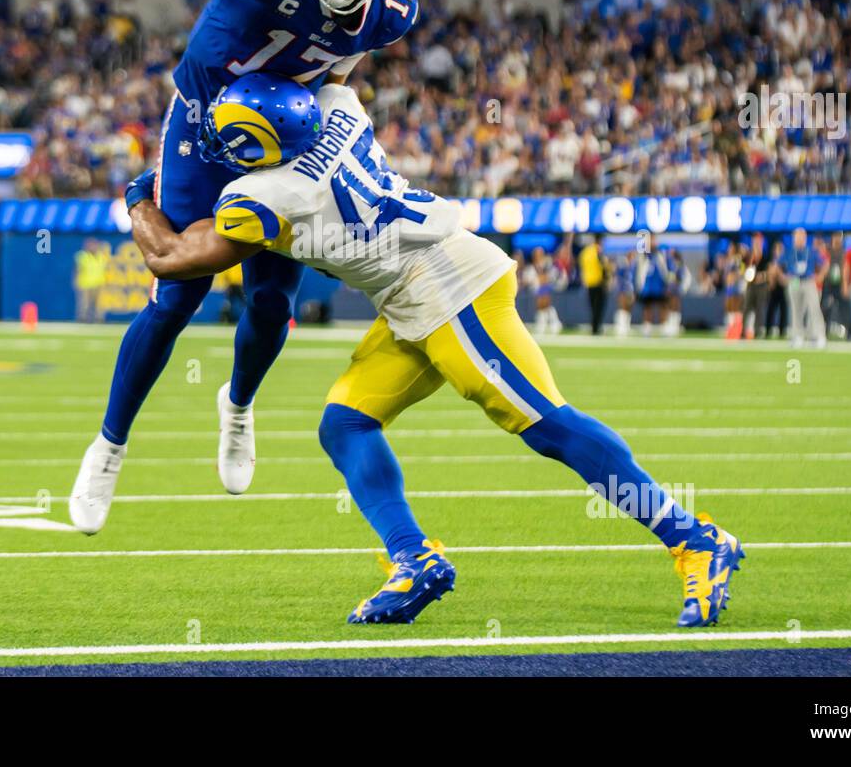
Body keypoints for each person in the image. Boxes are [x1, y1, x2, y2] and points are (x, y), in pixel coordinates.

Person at [116, 75, 743, 627]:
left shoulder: (263, 199)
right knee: (344, 425)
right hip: (416, 288)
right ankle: (415, 559)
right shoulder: (339, 106)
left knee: (547, 424)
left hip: (450, 290)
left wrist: (141, 197)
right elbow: (334, 62)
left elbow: (169, 258)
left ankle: (694, 538)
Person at [73, 0, 419, 518]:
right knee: (178, 296)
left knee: (269, 299)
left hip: (284, 136)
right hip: (204, 130)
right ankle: (109, 445)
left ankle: (237, 405)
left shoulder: (390, 9)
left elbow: (339, 70)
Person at [787, 227, 827, 348]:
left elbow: (824, 263)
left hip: (808, 281)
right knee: (796, 310)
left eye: (801, 236)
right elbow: (778, 264)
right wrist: (783, 276)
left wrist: (820, 276)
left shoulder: (811, 251)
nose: (799, 239)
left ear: (804, 238)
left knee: (814, 308)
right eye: (797, 236)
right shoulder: (789, 251)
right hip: (795, 281)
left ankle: (820, 336)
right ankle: (798, 336)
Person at [578, 235, 608, 335]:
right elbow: (603, 265)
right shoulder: (598, 250)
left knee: (592, 306)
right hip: (598, 283)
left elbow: (581, 265)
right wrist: (606, 279)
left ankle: (594, 326)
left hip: (589, 282)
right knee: (598, 307)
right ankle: (596, 328)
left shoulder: (585, 252)